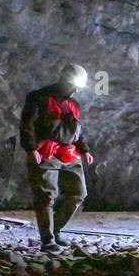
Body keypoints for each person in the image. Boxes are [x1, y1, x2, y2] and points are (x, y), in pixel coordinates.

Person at [19, 64, 93, 252]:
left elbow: (77, 131)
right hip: (46, 152)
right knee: (46, 196)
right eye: (73, 85)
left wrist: (84, 150)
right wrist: (31, 148)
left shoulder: (73, 105)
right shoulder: (39, 98)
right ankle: (48, 240)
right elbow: (27, 125)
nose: (75, 90)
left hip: (68, 152)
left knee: (78, 193)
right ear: (64, 80)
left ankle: (56, 229)